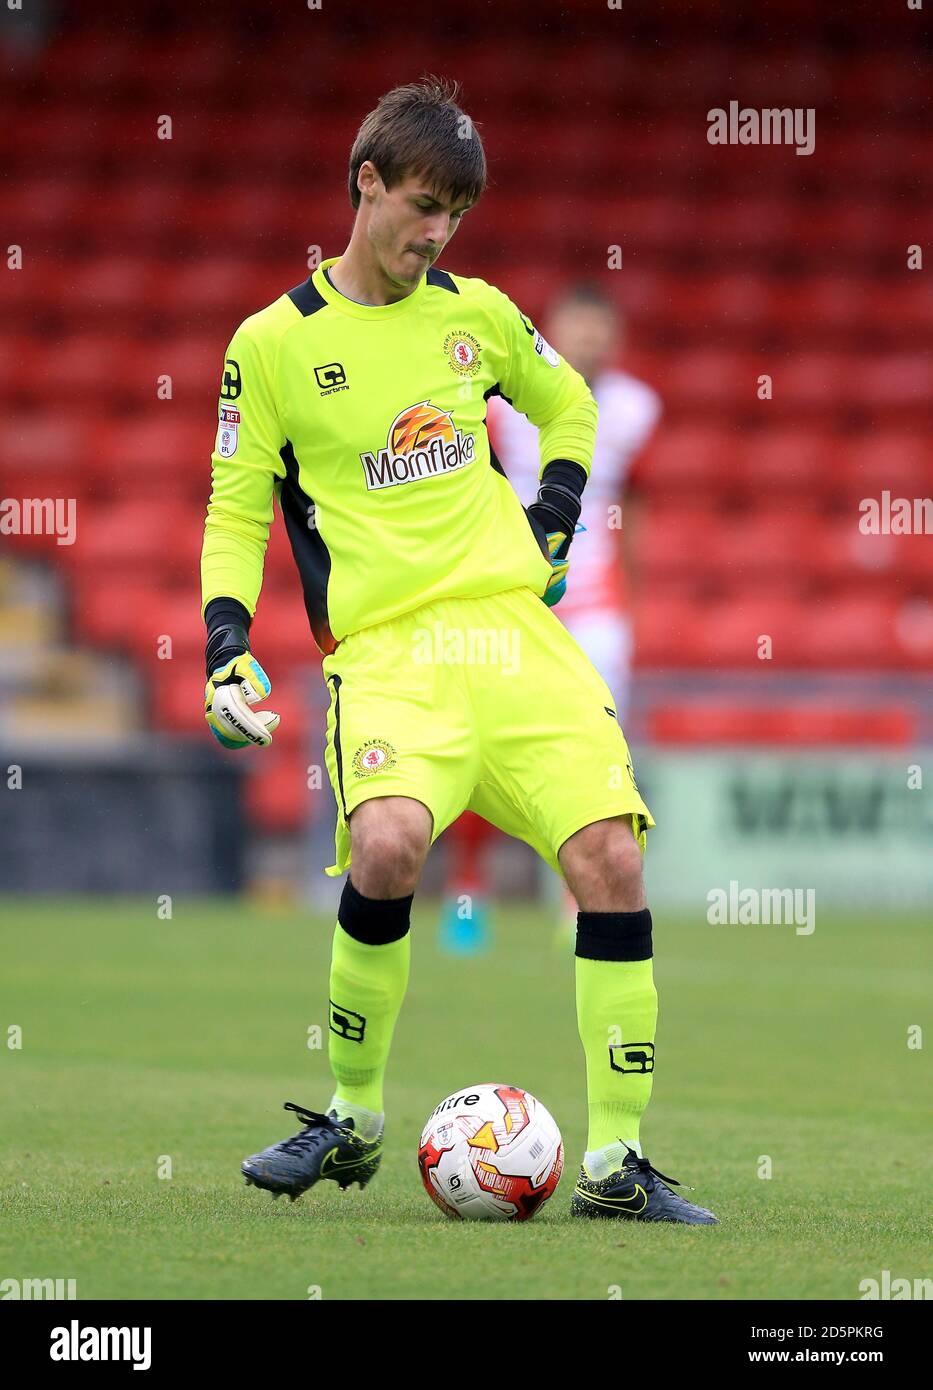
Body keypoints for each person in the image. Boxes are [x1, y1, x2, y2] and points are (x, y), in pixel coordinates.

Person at [199, 76, 716, 1224]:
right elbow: (236, 508)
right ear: (365, 181)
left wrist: (555, 515)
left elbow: (568, 399)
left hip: (518, 639)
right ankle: (351, 1118)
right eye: (423, 207)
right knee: (385, 844)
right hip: (388, 653)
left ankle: (617, 1163)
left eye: (457, 219)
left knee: (611, 866)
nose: (436, 236)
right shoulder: (271, 345)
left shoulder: (474, 312)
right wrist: (225, 645)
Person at [440, 285, 661, 949]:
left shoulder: (634, 408)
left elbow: (636, 506)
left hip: (594, 604)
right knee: (477, 745)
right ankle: (468, 888)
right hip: (510, 594)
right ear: (549, 330)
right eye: (577, 326)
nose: (589, 339)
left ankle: (579, 889)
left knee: (595, 750)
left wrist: (635, 602)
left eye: (600, 328)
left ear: (615, 338)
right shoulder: (500, 398)